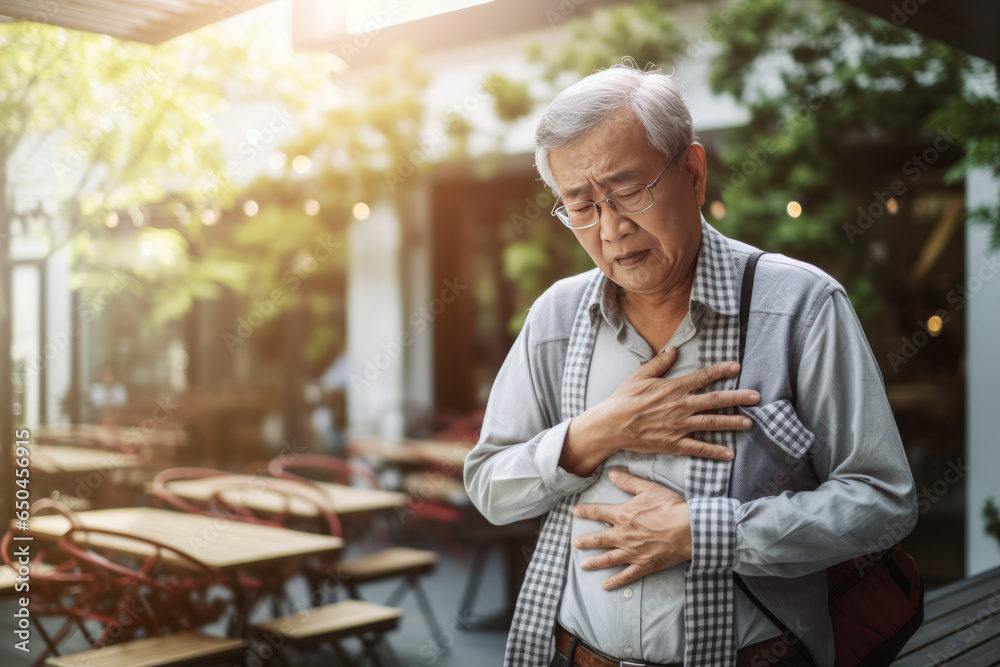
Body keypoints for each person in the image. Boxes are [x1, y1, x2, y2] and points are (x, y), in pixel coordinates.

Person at [464, 63, 917, 667]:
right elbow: (490, 485)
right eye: (582, 206)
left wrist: (703, 533)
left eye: (629, 191)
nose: (612, 228)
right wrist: (600, 431)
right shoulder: (556, 317)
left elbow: (882, 500)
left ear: (694, 173)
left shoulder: (800, 308)